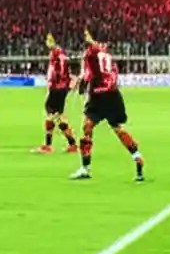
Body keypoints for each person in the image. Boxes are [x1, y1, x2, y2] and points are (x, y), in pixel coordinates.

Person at [71, 32, 144, 182]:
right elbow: (113, 75)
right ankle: (137, 157)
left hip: (98, 96)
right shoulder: (108, 56)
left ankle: (85, 168)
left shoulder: (89, 54)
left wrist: (79, 87)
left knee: (87, 128)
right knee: (117, 128)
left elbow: (86, 75)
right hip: (113, 95)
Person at [34, 33, 78, 154]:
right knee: (58, 116)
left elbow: (55, 73)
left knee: (51, 114)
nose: (46, 42)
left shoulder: (56, 54)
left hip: (57, 88)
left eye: (48, 40)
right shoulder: (62, 54)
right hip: (62, 88)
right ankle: (72, 144)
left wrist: (51, 85)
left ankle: (48, 146)